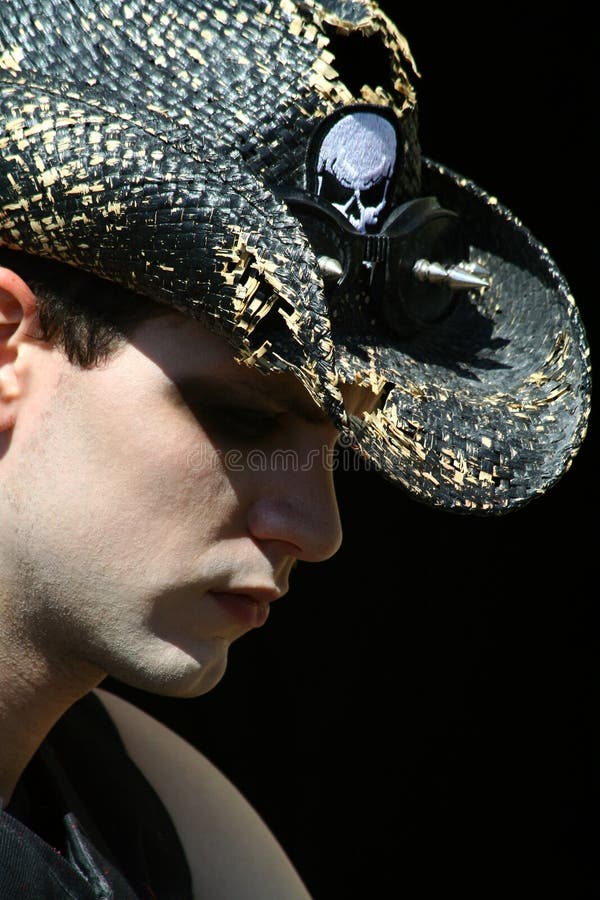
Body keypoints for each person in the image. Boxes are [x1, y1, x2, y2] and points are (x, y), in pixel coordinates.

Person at [0, 1, 591, 897]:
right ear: (7, 343)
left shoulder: (168, 824)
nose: (317, 530)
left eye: (335, 436)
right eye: (241, 418)